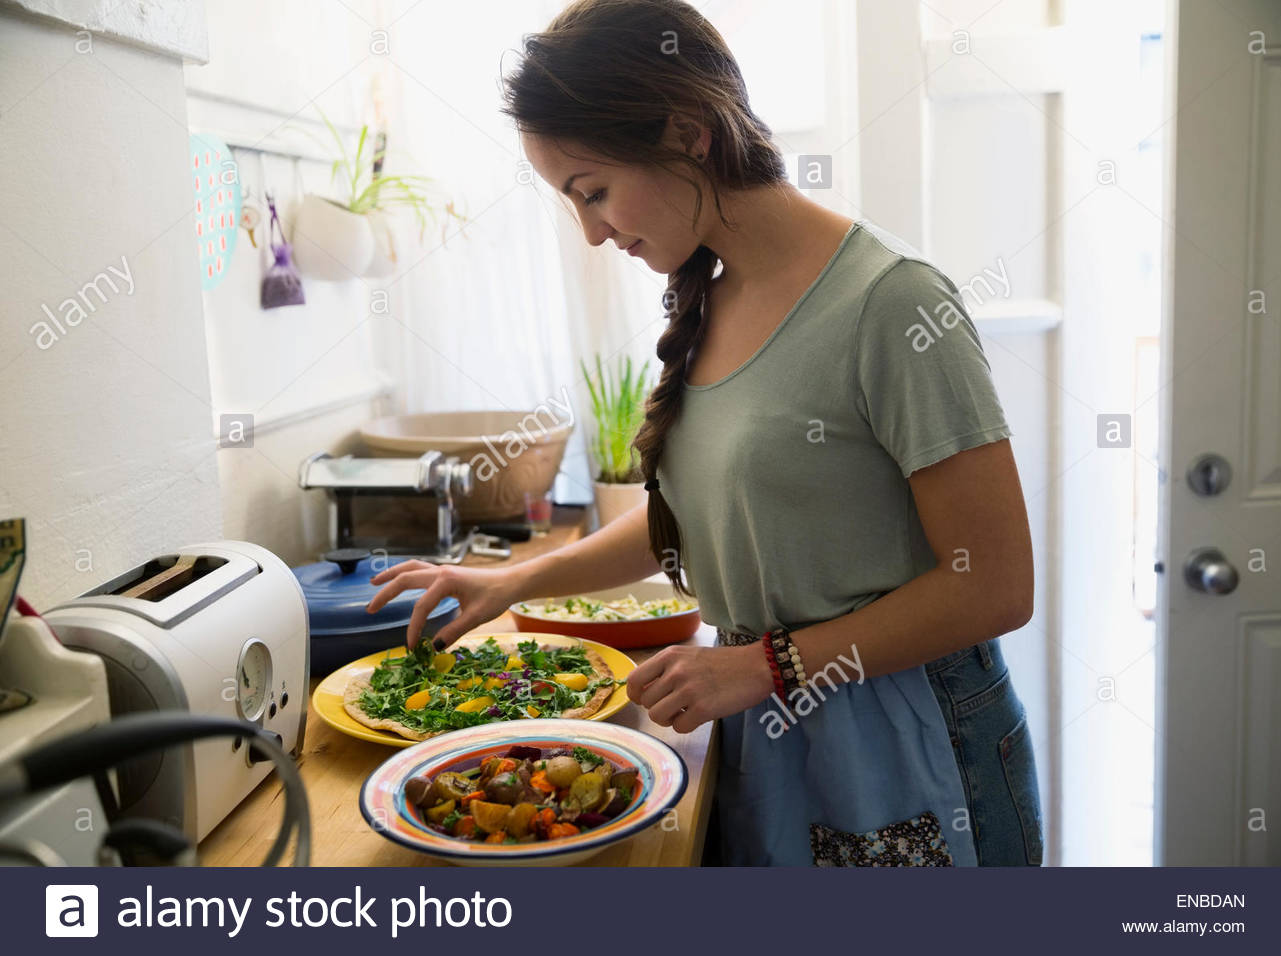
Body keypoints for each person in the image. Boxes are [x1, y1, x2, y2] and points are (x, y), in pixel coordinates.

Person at [366, 0, 1043, 867]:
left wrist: (769, 666)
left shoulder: (894, 305)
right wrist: (519, 580)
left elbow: (994, 586)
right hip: (768, 730)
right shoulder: (713, 301)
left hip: (905, 740)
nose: (594, 231)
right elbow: (694, 517)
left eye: (594, 191)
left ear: (687, 131)